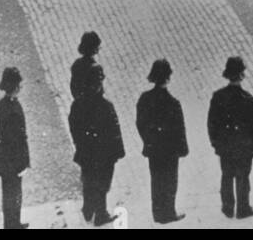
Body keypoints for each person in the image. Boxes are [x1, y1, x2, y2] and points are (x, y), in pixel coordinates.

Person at [68, 64, 125, 226]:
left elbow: (74, 126)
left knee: (88, 179)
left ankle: (87, 209)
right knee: (102, 183)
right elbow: (115, 131)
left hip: (86, 152)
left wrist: (79, 144)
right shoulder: (105, 106)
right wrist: (118, 152)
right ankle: (100, 214)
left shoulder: (78, 104)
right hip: (104, 154)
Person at [207, 56, 253, 219]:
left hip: (225, 145)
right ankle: (243, 207)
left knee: (226, 175)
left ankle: (227, 207)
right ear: (241, 75)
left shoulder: (218, 97)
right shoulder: (248, 99)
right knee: (243, 177)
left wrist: (215, 143)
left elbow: (212, 123)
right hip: (244, 145)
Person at [136, 58, 188, 224]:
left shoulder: (145, 99)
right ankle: (169, 212)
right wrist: (183, 148)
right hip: (170, 150)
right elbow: (180, 129)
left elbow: (140, 123)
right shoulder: (173, 103)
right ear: (168, 77)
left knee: (156, 180)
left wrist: (148, 140)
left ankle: (158, 213)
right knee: (170, 181)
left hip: (154, 149)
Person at [0, 66, 30, 230]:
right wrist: (23, 161)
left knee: (10, 192)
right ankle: (12, 225)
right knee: (14, 193)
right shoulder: (12, 108)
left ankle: (12, 223)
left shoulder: (2, 104)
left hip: (4, 155)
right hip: (13, 157)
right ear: (15, 86)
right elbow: (16, 138)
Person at [71, 31, 103, 99]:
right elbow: (97, 89)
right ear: (95, 49)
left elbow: (73, 86)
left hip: (78, 102)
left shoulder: (77, 64)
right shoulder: (96, 68)